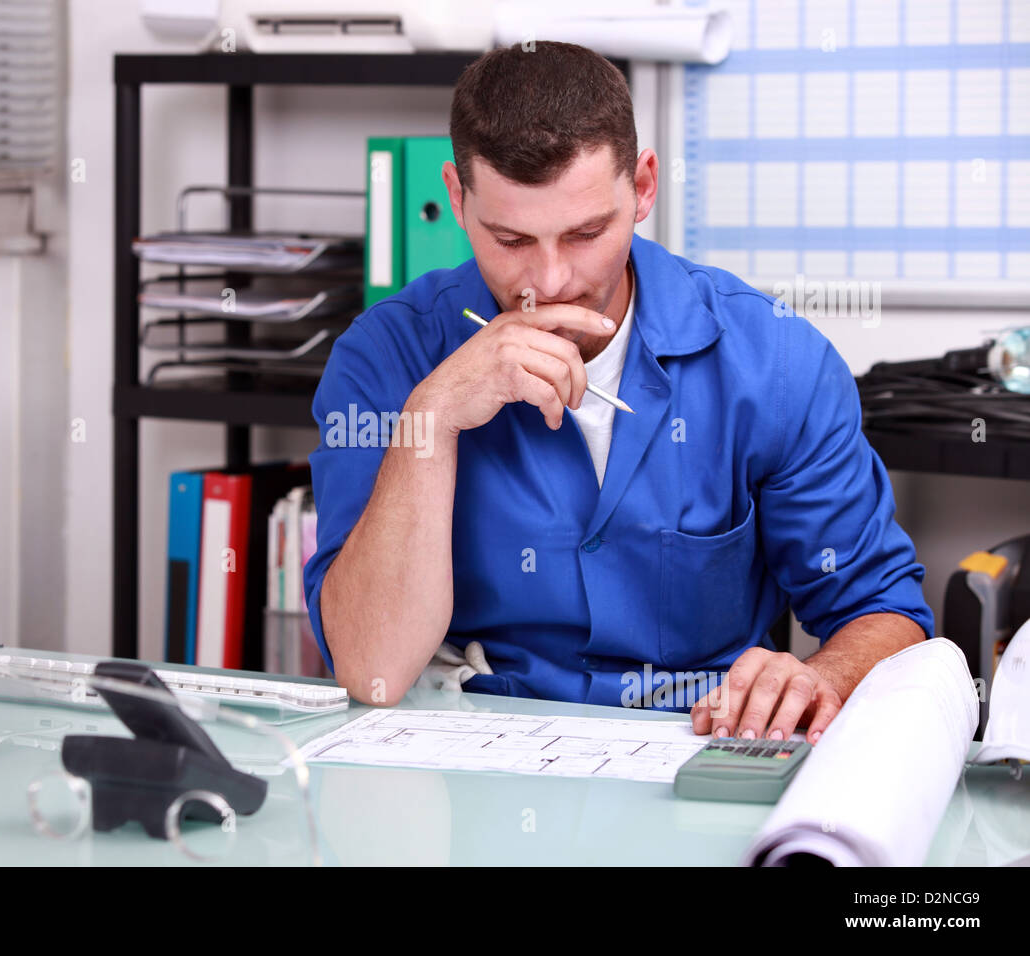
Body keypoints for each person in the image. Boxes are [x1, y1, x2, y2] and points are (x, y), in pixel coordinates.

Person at [302, 41, 933, 745]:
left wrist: (821, 677)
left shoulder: (774, 362)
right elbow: (369, 668)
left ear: (644, 186)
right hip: (463, 752)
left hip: (694, 749)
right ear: (457, 196)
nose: (551, 280)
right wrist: (433, 417)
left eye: (586, 233)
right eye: (510, 238)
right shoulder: (384, 356)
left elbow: (886, 612)